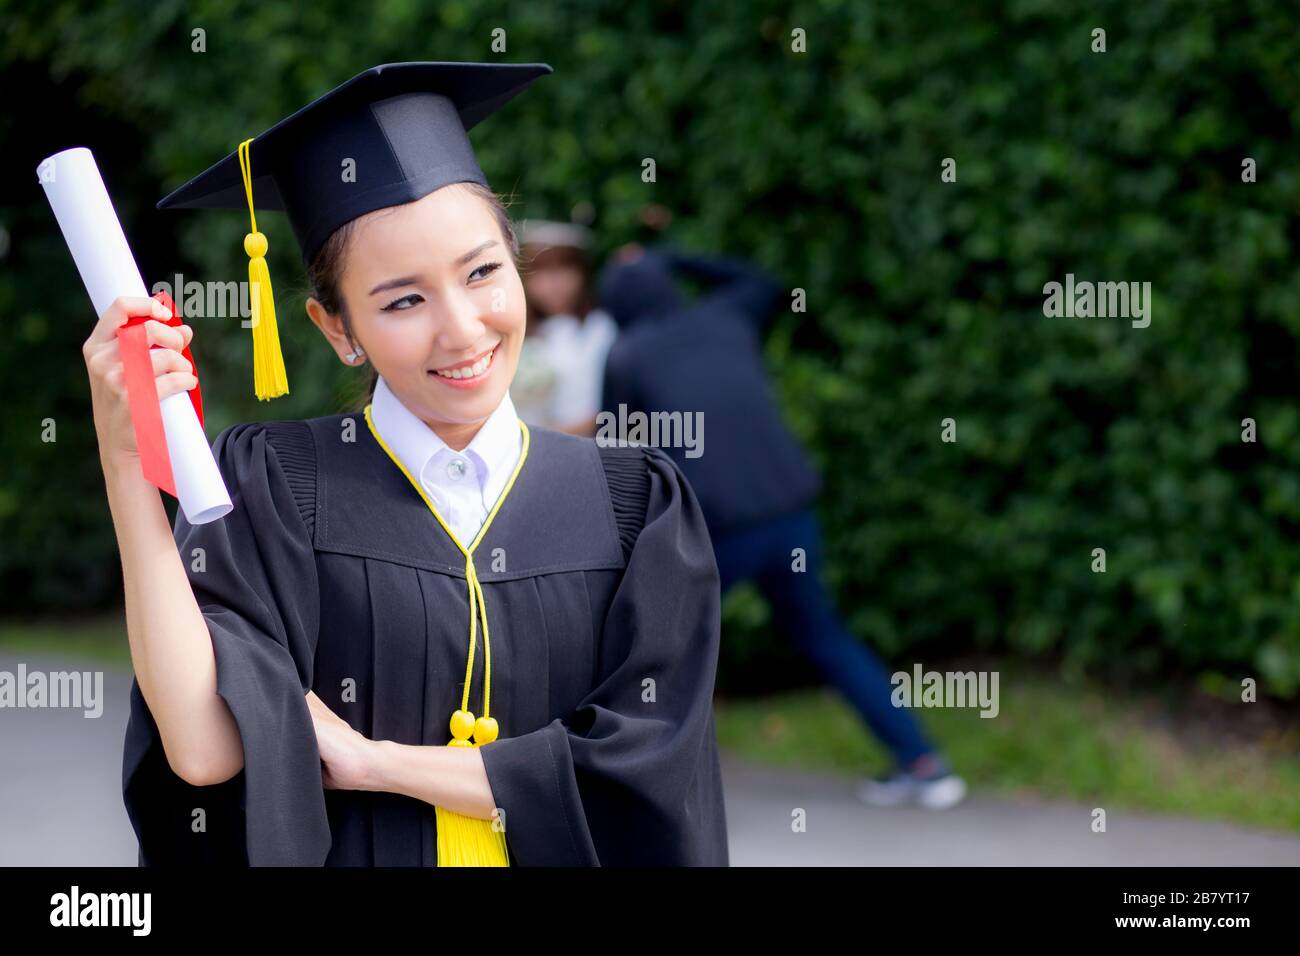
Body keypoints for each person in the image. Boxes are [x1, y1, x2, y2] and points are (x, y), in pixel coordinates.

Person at [84, 62, 729, 866]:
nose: (462, 330)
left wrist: (382, 765)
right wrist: (124, 462)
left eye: (483, 272)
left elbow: (649, 772)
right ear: (337, 328)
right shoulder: (277, 487)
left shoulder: (632, 505)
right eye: (403, 301)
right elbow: (205, 748)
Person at [598, 244, 967, 810]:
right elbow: (759, 277)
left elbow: (620, 458)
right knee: (825, 635)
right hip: (790, 518)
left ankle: (641, 796)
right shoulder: (724, 318)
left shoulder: (628, 357)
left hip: (716, 532)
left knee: (661, 655)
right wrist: (670, 256)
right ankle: (923, 762)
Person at [513, 220, 617, 435]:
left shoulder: (598, 329)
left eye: (564, 269)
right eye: (542, 271)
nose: (554, 283)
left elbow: (603, 408)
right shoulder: (516, 329)